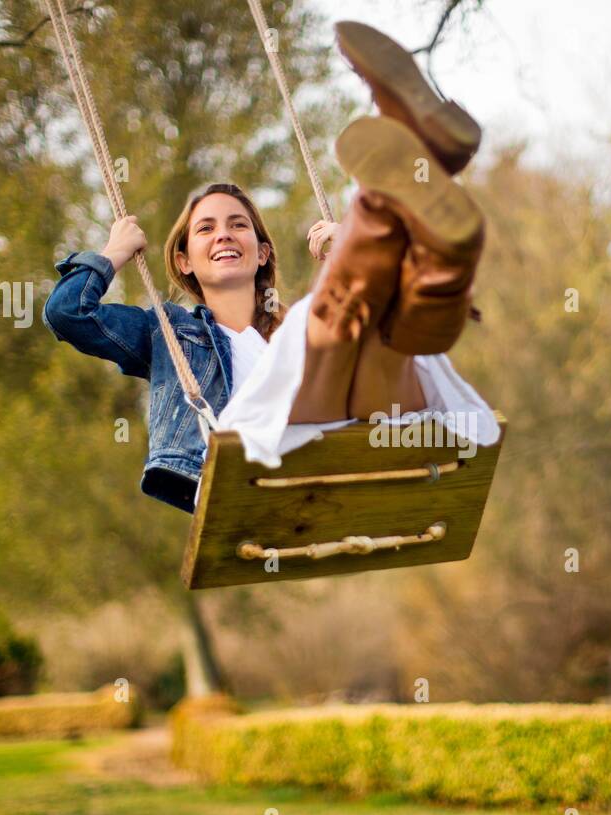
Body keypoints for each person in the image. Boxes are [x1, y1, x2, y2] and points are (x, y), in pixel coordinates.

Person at [42, 21, 499, 514]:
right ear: (184, 260)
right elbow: (68, 314)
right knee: (332, 325)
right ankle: (391, 209)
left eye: (239, 225)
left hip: (357, 440)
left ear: (262, 251)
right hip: (257, 473)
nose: (223, 234)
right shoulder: (165, 335)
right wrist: (112, 255)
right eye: (206, 229)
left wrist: (344, 247)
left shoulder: (286, 326)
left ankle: (409, 205)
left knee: (364, 333)